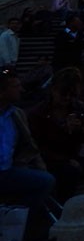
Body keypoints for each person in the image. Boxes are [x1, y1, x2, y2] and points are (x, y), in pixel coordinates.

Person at [29, 68, 84, 210]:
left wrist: (79, 129)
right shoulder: (39, 113)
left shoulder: (76, 107)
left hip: (70, 156)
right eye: (63, 94)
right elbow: (36, 146)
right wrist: (65, 158)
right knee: (69, 173)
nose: (67, 98)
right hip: (48, 160)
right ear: (53, 90)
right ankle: (65, 212)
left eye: (71, 95)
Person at [0, 70, 55, 214]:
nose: (21, 90)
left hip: (8, 169)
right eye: (16, 86)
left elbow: (29, 142)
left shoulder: (17, 114)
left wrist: (38, 163)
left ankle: (16, 216)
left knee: (45, 180)